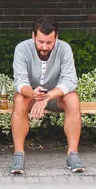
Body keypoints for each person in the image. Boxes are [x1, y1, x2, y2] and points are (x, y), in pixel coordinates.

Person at [10, 17, 85, 174]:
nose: (44, 46)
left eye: (49, 43)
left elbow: (70, 81)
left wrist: (48, 96)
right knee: (19, 99)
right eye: (40, 42)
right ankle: (18, 154)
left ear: (56, 37)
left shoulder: (64, 48)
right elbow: (20, 81)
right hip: (31, 96)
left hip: (55, 97)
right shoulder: (22, 49)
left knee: (73, 99)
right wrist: (33, 94)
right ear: (33, 36)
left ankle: (72, 154)